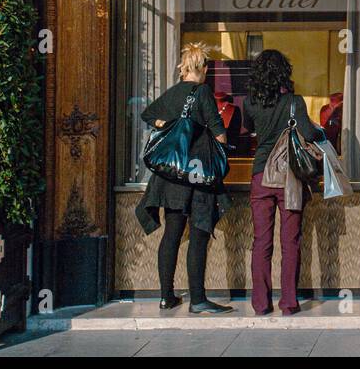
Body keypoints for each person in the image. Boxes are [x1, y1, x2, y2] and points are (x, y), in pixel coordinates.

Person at [137, 42, 233, 314]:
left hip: (169, 177)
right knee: (200, 233)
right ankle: (198, 299)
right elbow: (218, 130)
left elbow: (148, 115)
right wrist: (222, 154)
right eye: (206, 68)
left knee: (172, 234)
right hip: (196, 174)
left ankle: (166, 297)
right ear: (202, 68)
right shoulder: (202, 92)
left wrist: (167, 126)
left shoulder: (172, 93)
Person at [246, 49, 325, 316]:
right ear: (284, 73)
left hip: (260, 176)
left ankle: (260, 304)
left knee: (261, 242)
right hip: (288, 178)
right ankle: (289, 303)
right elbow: (310, 133)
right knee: (290, 242)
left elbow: (249, 130)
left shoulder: (250, 103)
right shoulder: (294, 102)